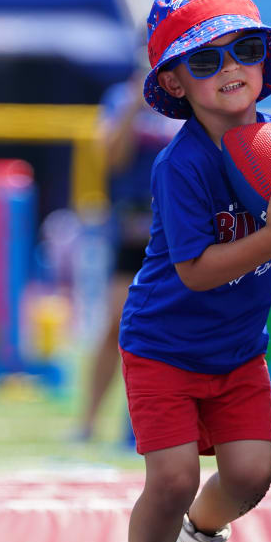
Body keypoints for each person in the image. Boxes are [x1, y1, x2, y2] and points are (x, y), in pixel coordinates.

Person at [116, 0, 271, 542]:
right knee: (172, 480)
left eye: (245, 49)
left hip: (237, 352)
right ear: (174, 80)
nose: (232, 67)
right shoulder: (179, 164)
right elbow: (195, 272)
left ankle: (199, 537)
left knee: (250, 474)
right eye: (207, 58)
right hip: (164, 347)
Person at [74, 54, 181, 444]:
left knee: (168, 329)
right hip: (132, 227)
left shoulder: (190, 97)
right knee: (117, 325)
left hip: (177, 224)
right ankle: (86, 422)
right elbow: (110, 159)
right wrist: (136, 104)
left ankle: (138, 425)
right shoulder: (121, 97)